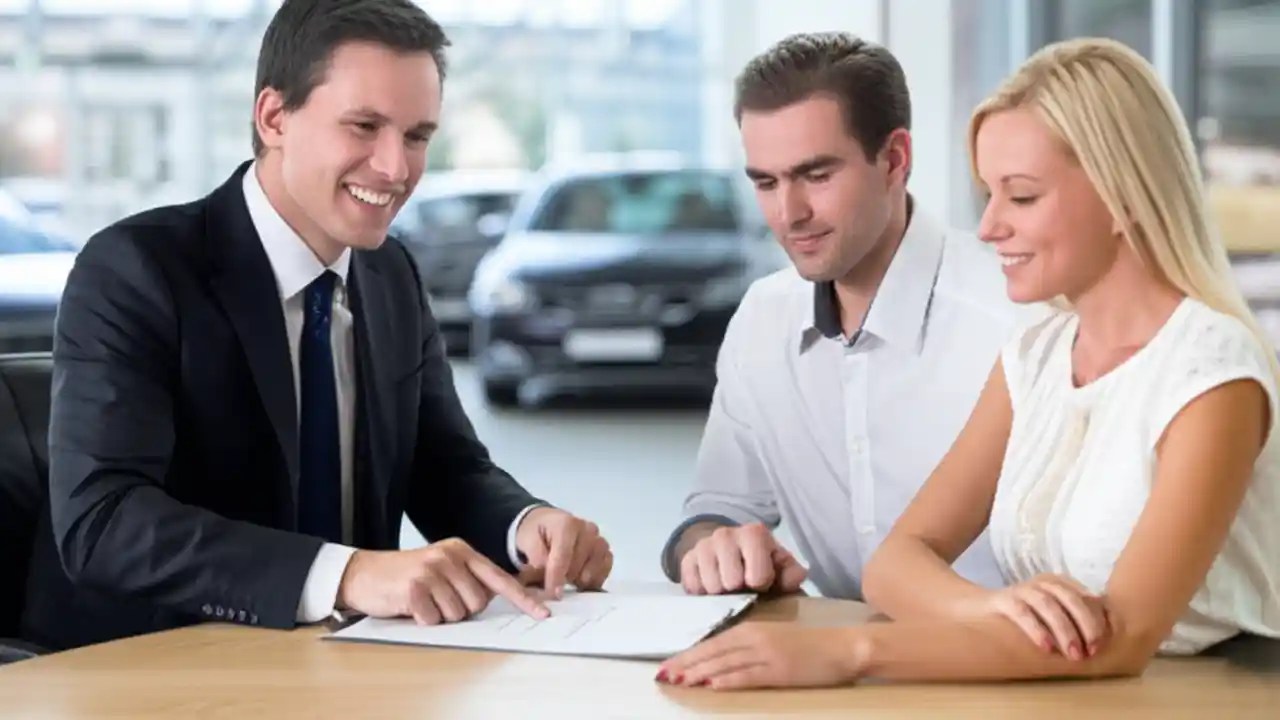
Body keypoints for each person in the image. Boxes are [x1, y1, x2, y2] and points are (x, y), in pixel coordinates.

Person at [658, 37, 1280, 690]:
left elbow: (1119, 639)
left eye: (1022, 196)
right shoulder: (1037, 357)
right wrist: (990, 611)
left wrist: (850, 654)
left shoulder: (1213, 369)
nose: (987, 228)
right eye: (989, 193)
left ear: (1124, 196)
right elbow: (893, 563)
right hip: (1054, 694)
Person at [28, 0, 611, 652]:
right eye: (364, 126)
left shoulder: (390, 274)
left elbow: (443, 467)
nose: (396, 168)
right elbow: (103, 522)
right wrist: (350, 573)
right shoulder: (138, 270)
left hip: (345, 666)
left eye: (417, 136)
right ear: (274, 117)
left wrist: (525, 525)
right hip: (157, 667)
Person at [659, 32, 1025, 601]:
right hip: (833, 670)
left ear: (895, 160)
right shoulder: (762, 319)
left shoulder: (1014, 317)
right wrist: (716, 550)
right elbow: (717, 509)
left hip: (1011, 669)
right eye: (765, 182)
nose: (789, 214)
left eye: (816, 175)